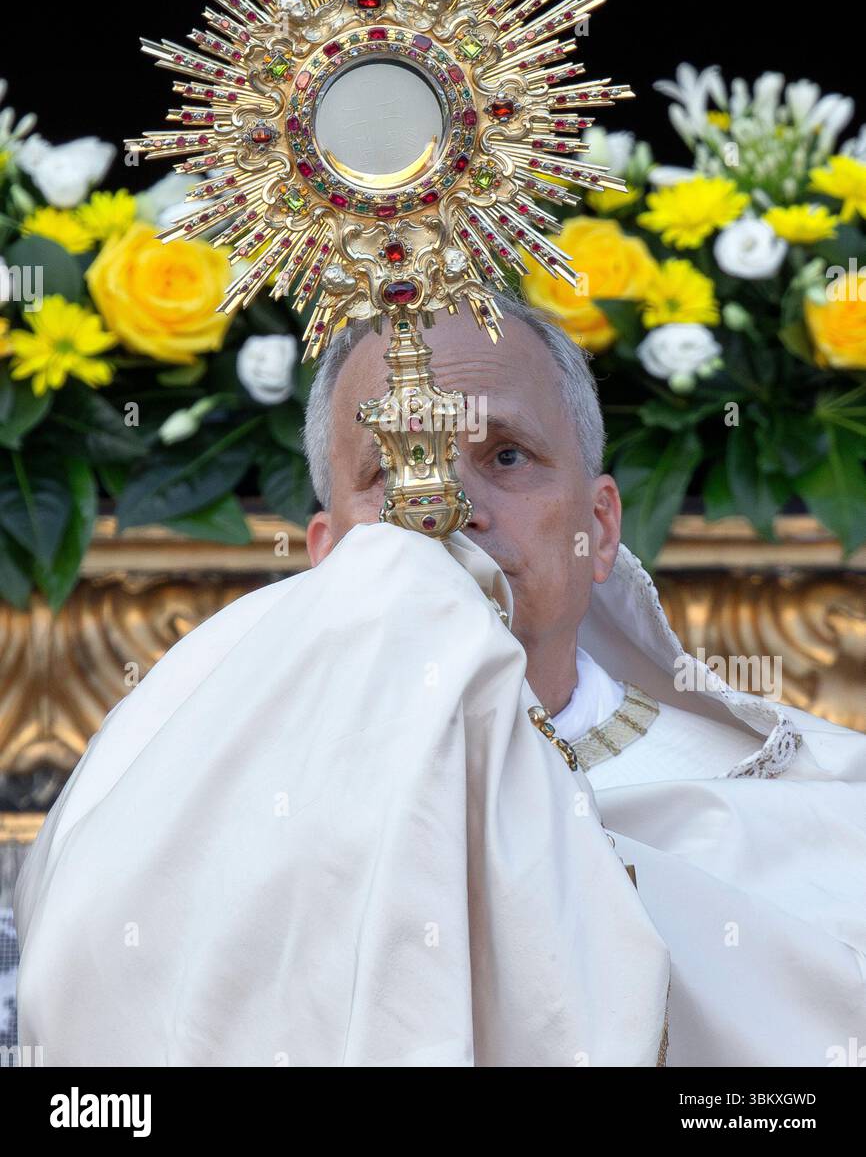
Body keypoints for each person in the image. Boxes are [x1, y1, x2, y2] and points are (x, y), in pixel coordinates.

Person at [13, 293, 866, 1066]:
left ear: (601, 528)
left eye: (505, 455)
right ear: (325, 558)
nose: (445, 510)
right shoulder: (193, 813)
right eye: (389, 470)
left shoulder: (813, 817)